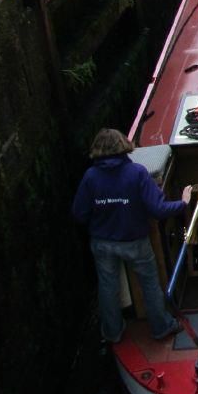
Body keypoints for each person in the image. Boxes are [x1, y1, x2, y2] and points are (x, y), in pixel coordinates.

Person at [73, 128, 187, 343]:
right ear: (124, 146)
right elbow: (158, 209)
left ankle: (112, 333)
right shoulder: (137, 173)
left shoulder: (90, 177)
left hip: (102, 243)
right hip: (135, 241)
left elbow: (79, 214)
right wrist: (183, 203)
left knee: (107, 287)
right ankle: (161, 327)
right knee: (149, 283)